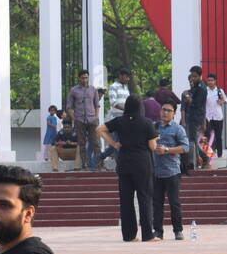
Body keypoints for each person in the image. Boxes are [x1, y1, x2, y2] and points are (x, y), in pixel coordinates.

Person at [98, 96, 160, 242]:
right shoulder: (147, 122)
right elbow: (152, 147)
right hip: (142, 165)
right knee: (144, 198)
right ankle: (147, 235)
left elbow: (99, 129)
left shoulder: (120, 121)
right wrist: (156, 139)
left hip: (124, 163)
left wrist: (113, 144)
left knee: (126, 200)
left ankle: (129, 235)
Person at [152, 103, 189, 240]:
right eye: (163, 110)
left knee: (174, 202)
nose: (165, 113)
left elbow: (185, 147)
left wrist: (167, 150)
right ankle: (158, 231)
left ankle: (178, 230)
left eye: (169, 110)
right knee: (156, 203)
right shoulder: (154, 127)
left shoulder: (177, 129)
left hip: (172, 171)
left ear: (174, 113)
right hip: (155, 171)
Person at [68, 69, 103, 171]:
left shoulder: (93, 90)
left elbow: (97, 105)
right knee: (82, 143)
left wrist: (96, 117)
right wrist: (75, 118)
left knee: (96, 142)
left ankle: (99, 164)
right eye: (83, 78)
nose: (85, 80)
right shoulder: (73, 90)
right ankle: (84, 164)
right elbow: (69, 107)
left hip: (92, 119)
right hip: (80, 120)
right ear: (79, 78)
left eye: (86, 77)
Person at [181, 66, 208, 172]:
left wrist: (187, 96)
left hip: (195, 118)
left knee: (192, 141)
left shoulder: (201, 88)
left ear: (200, 76)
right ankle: (198, 160)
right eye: (191, 76)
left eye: (195, 76)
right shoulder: (196, 87)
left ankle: (195, 162)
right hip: (193, 117)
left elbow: (196, 104)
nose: (192, 78)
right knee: (193, 141)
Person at [203, 72, 227, 163]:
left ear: (215, 81)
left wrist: (221, 101)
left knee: (218, 135)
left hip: (218, 116)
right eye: (208, 80)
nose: (210, 82)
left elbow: (225, 100)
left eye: (212, 80)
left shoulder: (219, 91)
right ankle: (208, 153)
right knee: (207, 135)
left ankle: (220, 153)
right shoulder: (204, 90)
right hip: (207, 116)